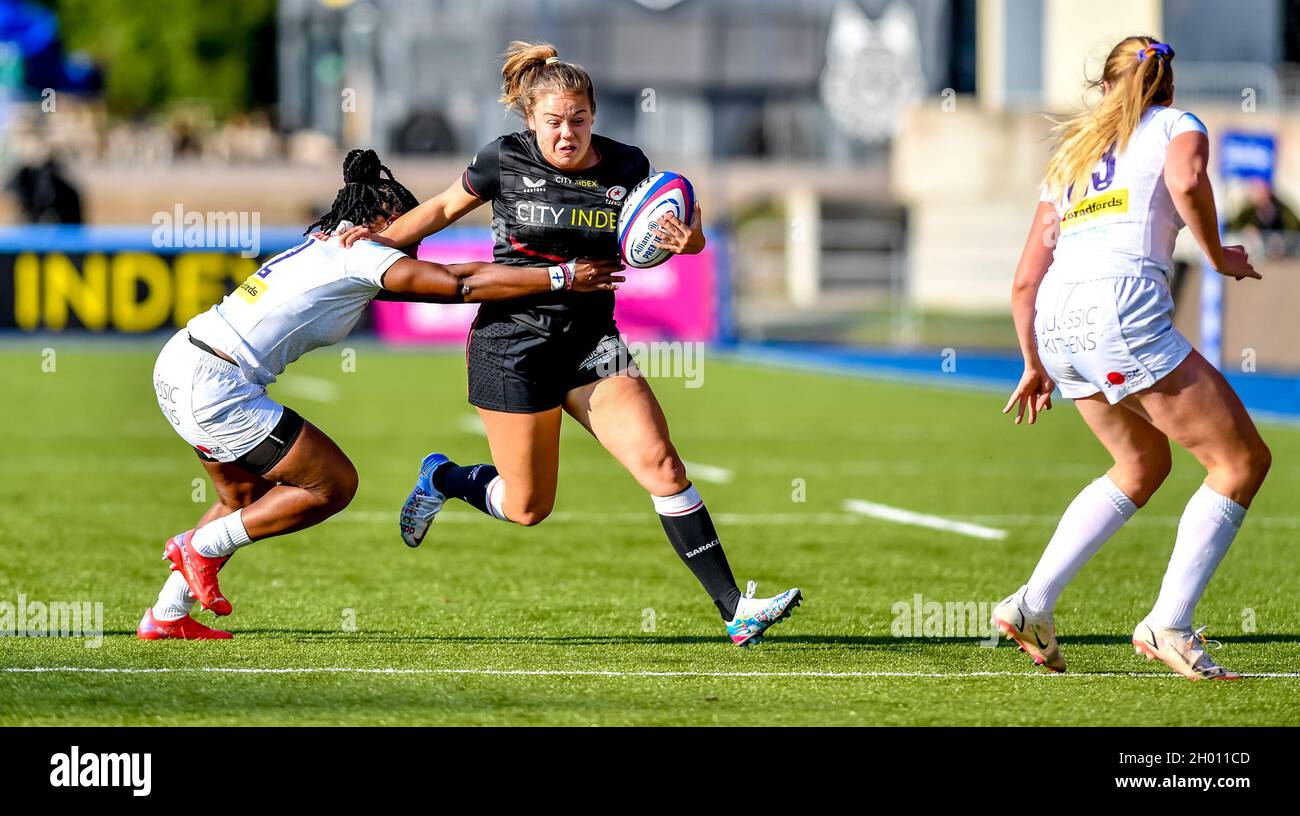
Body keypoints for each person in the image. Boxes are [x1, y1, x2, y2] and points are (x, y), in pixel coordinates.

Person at [339, 42, 801, 647]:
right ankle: (444, 478)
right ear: (531, 120)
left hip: (591, 342)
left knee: (663, 466)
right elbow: (440, 210)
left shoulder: (628, 167)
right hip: (511, 345)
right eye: (554, 122)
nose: (567, 133)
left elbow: (681, 242)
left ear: (593, 117)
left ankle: (736, 609)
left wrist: (684, 240)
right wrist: (368, 247)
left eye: (578, 120)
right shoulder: (503, 160)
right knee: (528, 507)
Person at [139, 148, 622, 639]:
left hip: (185, 363)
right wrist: (561, 276)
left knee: (242, 496)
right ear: (386, 218)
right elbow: (459, 282)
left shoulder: (326, 241)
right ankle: (200, 545)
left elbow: (451, 279)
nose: (415, 241)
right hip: (217, 386)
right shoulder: (361, 254)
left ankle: (167, 612)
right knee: (332, 485)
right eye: (410, 226)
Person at [993, 36, 1269, 680]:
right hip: (1119, 308)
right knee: (1240, 461)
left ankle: (1032, 605)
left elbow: (1024, 282)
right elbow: (1187, 178)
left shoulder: (1071, 156)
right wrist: (1219, 253)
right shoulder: (1177, 124)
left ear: (1104, 87)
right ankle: (1168, 623)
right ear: (1166, 88)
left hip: (1057, 318)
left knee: (1140, 463)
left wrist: (1034, 361)